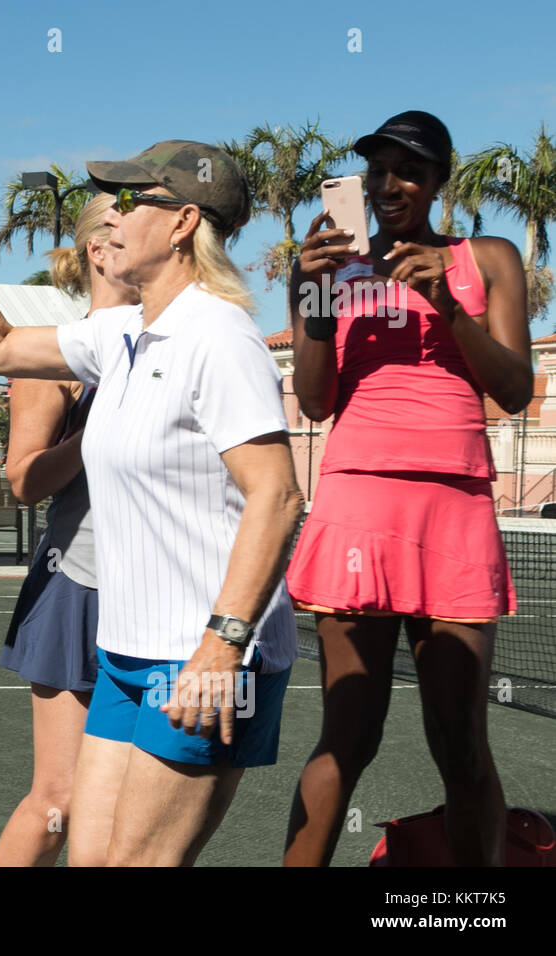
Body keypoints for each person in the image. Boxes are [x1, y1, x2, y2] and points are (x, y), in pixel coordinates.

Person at [0, 136, 304, 866]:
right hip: (128, 655)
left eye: (132, 201)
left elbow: (280, 497)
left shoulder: (220, 337)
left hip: (201, 658)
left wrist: (220, 648)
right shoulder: (122, 333)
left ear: (183, 222)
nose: (111, 219)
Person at [283, 111, 532, 866]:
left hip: (454, 509)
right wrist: (316, 298)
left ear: (438, 182)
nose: (391, 186)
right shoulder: (326, 268)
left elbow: (515, 389)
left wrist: (450, 309)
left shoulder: (488, 257)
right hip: (357, 503)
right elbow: (318, 400)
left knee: (459, 738)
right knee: (348, 732)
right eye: (378, 171)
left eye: (411, 171)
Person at [0, 193, 140, 866]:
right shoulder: (54, 357)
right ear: (100, 250)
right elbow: (22, 481)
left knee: (135, 805)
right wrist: (94, 429)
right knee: (61, 800)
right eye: (127, 218)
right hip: (74, 589)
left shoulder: (182, 343)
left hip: (156, 590)